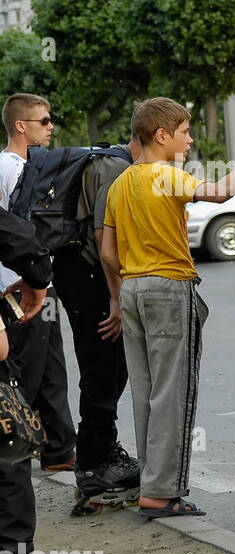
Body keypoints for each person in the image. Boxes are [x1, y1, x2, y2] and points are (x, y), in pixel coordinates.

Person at [102, 97, 235, 517]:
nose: (190, 139)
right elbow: (220, 193)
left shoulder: (120, 183)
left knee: (147, 392)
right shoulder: (166, 176)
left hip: (131, 289)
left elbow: (108, 252)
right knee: (173, 393)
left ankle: (151, 480)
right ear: (161, 135)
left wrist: (125, 286)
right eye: (184, 131)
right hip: (168, 288)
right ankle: (161, 492)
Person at [51, 134, 144, 511]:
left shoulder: (110, 162)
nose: (186, 144)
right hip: (88, 275)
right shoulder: (117, 168)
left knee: (110, 367)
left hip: (79, 271)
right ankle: (93, 465)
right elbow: (106, 240)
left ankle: (101, 453)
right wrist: (116, 298)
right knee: (102, 368)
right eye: (182, 134)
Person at [0, 93, 78, 473]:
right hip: (20, 286)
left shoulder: (26, 166)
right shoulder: (15, 168)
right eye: (43, 121)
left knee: (51, 365)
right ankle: (19, 450)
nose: (50, 128)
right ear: (21, 126)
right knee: (27, 372)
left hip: (37, 282)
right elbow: (25, 231)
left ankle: (60, 450)